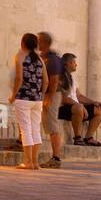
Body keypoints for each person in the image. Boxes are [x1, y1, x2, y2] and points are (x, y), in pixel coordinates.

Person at [9, 33, 47, 170]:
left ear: (22, 43)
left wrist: (13, 95)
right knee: (36, 130)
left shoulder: (20, 57)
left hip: (23, 98)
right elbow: (46, 82)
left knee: (25, 130)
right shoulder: (40, 60)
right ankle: (35, 162)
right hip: (37, 100)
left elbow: (19, 78)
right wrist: (40, 94)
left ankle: (27, 161)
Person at [59, 53, 101, 146]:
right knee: (78, 108)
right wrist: (80, 106)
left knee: (99, 109)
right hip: (63, 108)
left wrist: (94, 102)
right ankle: (78, 138)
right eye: (74, 62)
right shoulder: (60, 77)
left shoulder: (72, 77)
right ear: (68, 63)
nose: (76, 64)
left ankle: (88, 137)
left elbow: (79, 96)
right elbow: (63, 99)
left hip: (76, 107)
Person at [37, 32, 64, 169]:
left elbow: (54, 81)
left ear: (44, 43)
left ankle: (56, 158)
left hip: (51, 95)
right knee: (50, 125)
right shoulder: (44, 57)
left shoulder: (52, 60)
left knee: (52, 126)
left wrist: (48, 98)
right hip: (47, 95)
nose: (37, 43)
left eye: (39, 40)